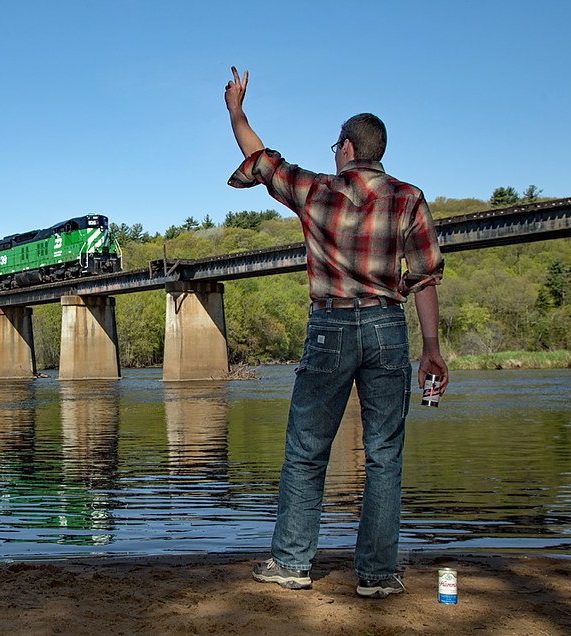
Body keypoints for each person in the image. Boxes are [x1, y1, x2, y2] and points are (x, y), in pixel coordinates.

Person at [223, 66, 448, 599]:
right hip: (387, 326)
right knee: (385, 453)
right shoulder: (409, 197)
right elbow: (425, 279)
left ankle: (293, 564)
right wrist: (432, 350)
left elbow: (262, 160)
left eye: (335, 145)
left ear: (347, 147)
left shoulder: (318, 192)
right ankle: (375, 576)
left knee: (306, 450)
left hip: (330, 327)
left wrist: (236, 111)